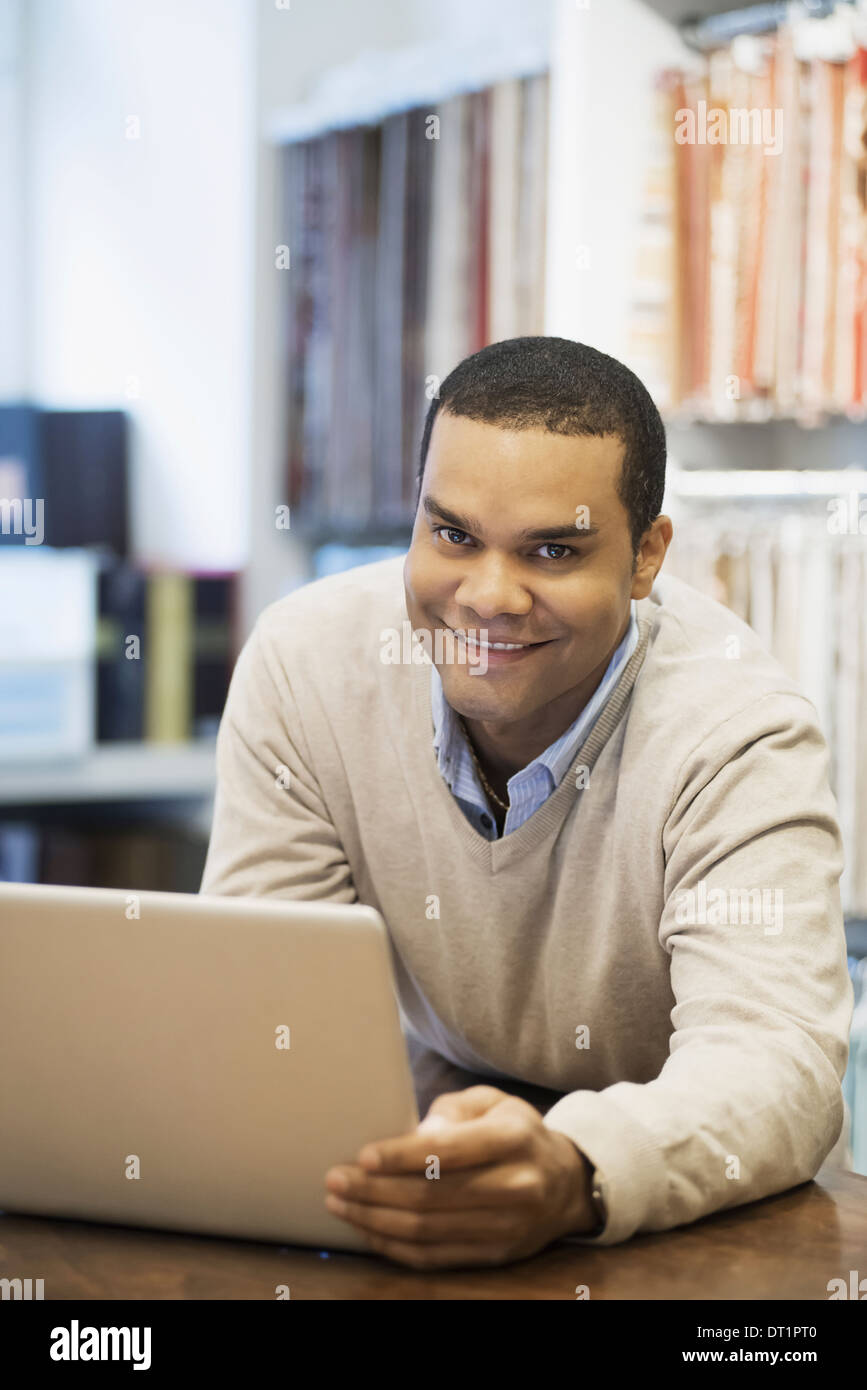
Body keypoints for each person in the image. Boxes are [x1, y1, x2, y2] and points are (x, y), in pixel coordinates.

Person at [200, 336, 852, 1269]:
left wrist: (573, 1167)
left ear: (645, 559)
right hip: (420, 1161)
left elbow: (777, 1067)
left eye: (552, 550)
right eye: (452, 535)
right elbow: (260, 1005)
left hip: (683, 1209)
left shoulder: (738, 731)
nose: (489, 598)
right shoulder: (307, 664)